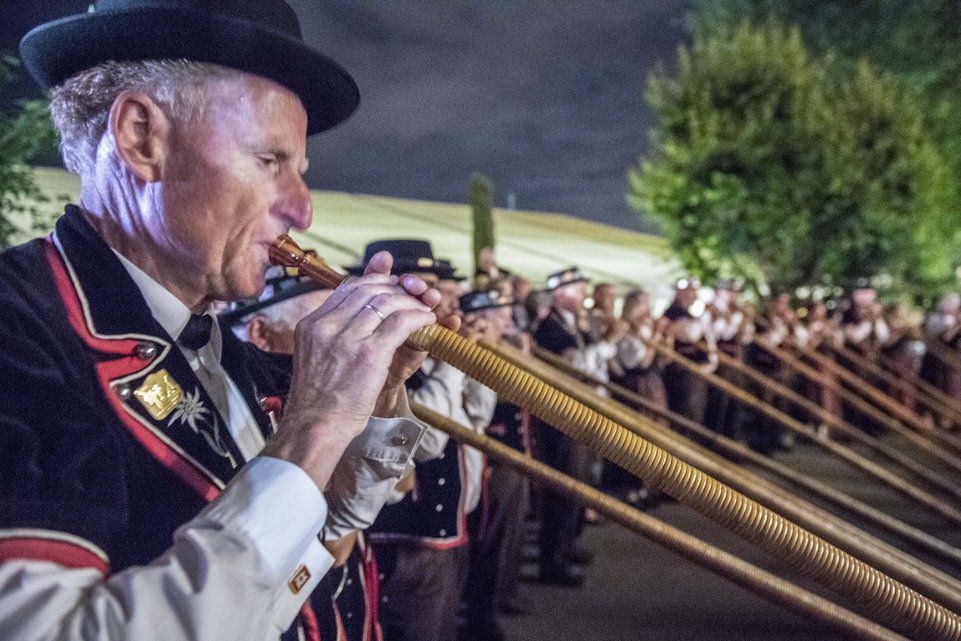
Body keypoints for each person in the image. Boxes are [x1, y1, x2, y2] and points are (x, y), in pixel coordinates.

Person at [0, 3, 452, 640]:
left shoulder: (209, 338)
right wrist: (314, 427)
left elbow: (299, 565)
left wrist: (368, 404)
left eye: (299, 170)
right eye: (270, 160)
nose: (302, 209)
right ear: (141, 137)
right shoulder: (20, 328)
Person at [661, 278, 717, 425]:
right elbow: (689, 334)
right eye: (687, 292)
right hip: (681, 372)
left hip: (693, 371)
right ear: (678, 293)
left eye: (692, 292)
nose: (691, 295)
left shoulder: (688, 315)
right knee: (688, 411)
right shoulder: (672, 313)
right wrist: (706, 315)